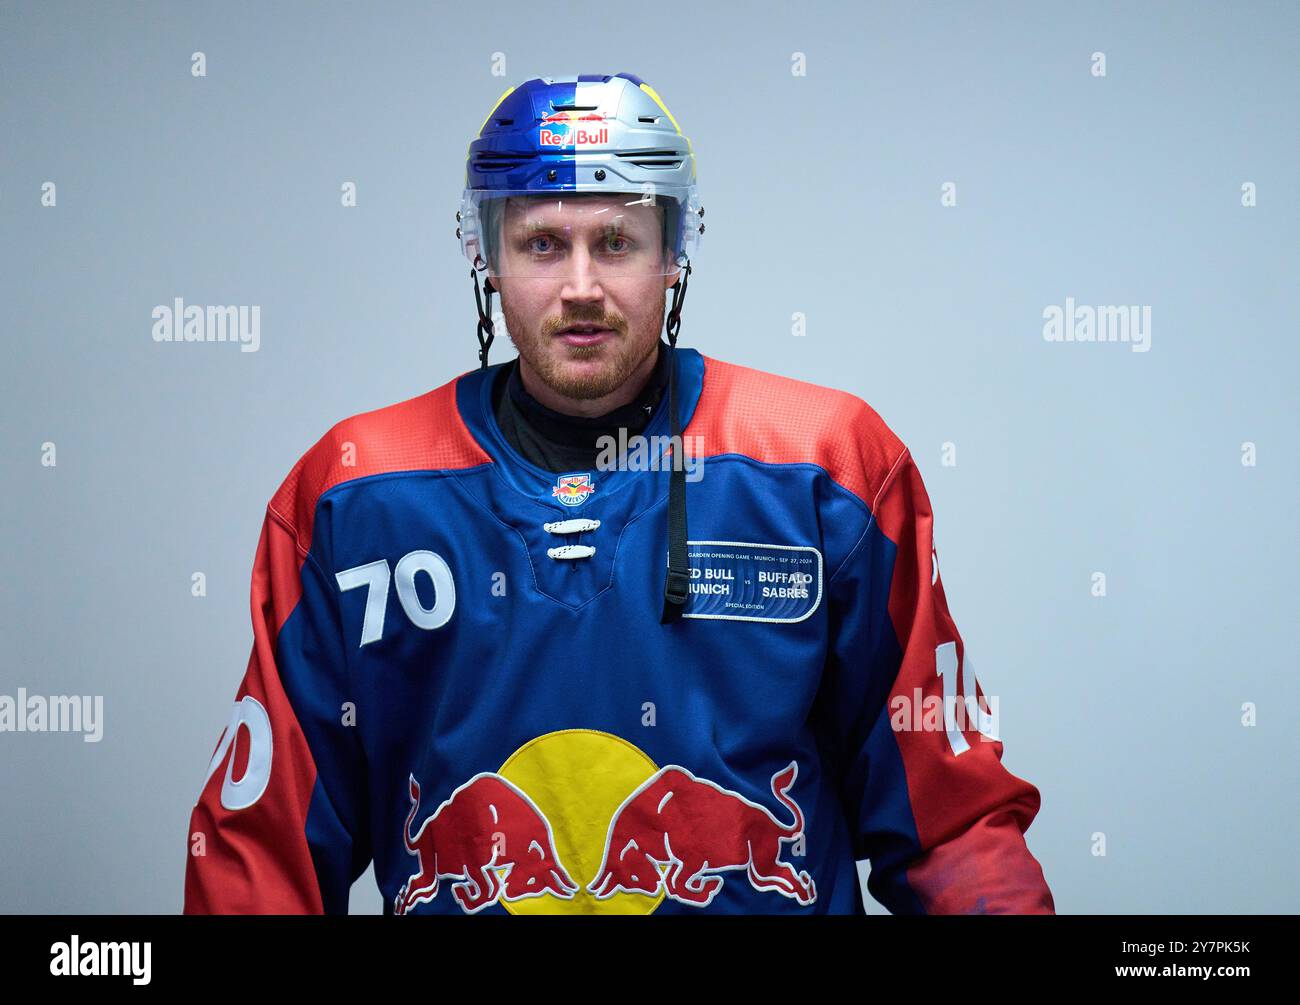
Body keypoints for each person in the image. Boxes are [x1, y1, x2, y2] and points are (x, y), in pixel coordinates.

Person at [183, 72, 1055, 915]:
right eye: (542, 244)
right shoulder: (352, 494)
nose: (581, 287)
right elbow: (260, 857)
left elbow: (952, 822)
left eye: (617, 241)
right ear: (485, 257)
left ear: (674, 254)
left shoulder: (829, 464)